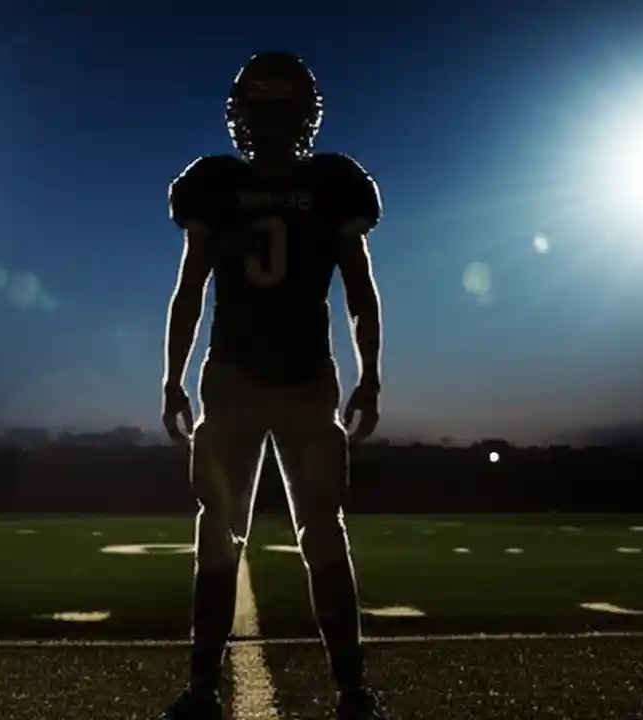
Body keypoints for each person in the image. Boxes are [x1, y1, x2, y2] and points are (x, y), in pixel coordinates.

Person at [159, 51, 391, 720]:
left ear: (243, 113)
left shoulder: (215, 184)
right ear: (304, 113)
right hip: (305, 379)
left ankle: (202, 686)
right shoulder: (333, 182)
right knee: (324, 533)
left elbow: (190, 291)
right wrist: (370, 374)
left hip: (231, 377)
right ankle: (352, 691)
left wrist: (172, 378)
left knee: (218, 530)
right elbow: (360, 293)